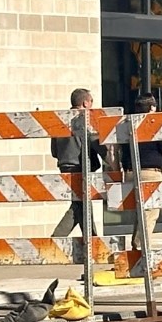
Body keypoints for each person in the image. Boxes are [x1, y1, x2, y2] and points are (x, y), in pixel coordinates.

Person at [115, 95, 162, 245]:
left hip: (130, 172)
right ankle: (140, 247)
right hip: (151, 173)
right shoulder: (155, 125)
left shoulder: (126, 125)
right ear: (152, 108)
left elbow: (113, 151)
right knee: (150, 213)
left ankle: (136, 247)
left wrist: (117, 171)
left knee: (139, 212)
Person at [50, 88, 102, 237]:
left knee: (81, 203)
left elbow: (54, 151)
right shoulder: (85, 119)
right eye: (91, 101)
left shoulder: (60, 120)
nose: (92, 105)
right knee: (80, 204)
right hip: (80, 165)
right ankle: (57, 239)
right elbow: (95, 143)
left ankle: (92, 239)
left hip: (64, 165)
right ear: (85, 103)